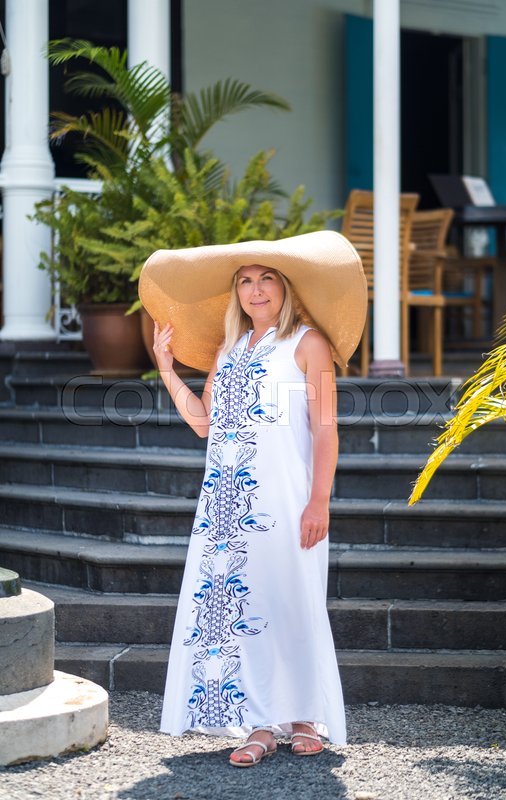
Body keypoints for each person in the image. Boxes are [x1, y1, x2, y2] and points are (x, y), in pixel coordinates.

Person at [139, 231, 366, 767]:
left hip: (287, 497)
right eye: (245, 281)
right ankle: (261, 723)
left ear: (284, 287)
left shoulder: (309, 344)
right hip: (225, 505)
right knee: (247, 605)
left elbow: (326, 430)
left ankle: (306, 716)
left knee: (293, 600)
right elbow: (203, 424)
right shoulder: (228, 352)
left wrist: (319, 501)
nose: (255, 290)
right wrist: (168, 369)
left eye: (266, 279)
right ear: (236, 293)